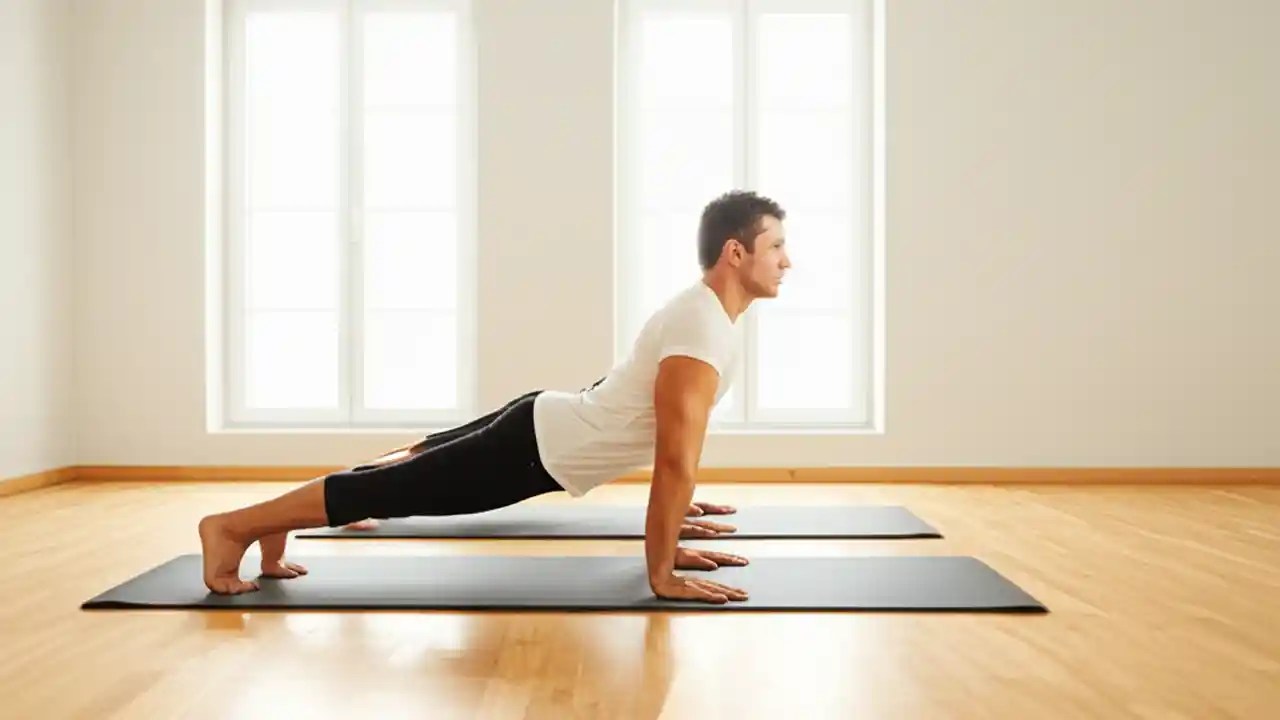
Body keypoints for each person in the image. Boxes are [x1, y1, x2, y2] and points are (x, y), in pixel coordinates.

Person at [198, 189, 791, 604]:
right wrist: (660, 570)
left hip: (546, 424)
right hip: (537, 446)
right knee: (396, 489)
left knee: (404, 471)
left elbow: (649, 426)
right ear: (735, 253)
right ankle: (233, 528)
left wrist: (677, 507)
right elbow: (673, 458)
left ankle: (273, 522)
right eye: (776, 247)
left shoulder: (706, 318)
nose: (786, 262)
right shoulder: (702, 325)